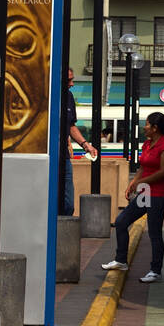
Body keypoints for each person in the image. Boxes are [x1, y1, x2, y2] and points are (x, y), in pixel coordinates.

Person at [102, 113, 164, 282]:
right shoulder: (148, 144)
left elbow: (163, 172)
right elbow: (142, 167)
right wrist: (132, 183)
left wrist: (140, 182)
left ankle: (155, 271)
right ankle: (121, 260)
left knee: (154, 233)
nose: (144, 127)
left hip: (159, 194)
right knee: (121, 221)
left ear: (155, 128)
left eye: (147, 124)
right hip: (145, 192)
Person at [61, 67, 97, 215]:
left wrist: (85, 144)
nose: (72, 84)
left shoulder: (69, 97)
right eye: (69, 80)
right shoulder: (49, 97)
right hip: (50, 154)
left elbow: (71, 126)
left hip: (64, 156)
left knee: (68, 203)